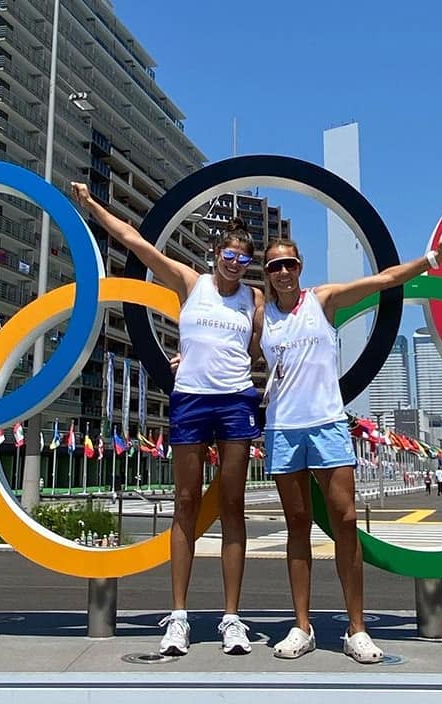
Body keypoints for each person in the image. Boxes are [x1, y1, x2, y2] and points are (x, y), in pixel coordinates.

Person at [71, 182, 262, 656]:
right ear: (216, 253)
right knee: (185, 503)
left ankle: (232, 618)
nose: (234, 265)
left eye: (242, 260)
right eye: (229, 256)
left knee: (232, 507)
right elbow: (135, 241)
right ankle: (178, 616)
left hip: (237, 401)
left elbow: (262, 346)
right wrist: (93, 204)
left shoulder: (254, 299)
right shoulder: (189, 282)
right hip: (192, 400)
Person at [257, 231, 442, 664]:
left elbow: (385, 279)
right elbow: (230, 340)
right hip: (282, 430)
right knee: (297, 524)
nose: (283, 271)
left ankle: (357, 629)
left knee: (345, 520)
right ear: (267, 274)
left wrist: (429, 258)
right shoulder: (263, 316)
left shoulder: (323, 300)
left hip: (327, 424)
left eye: (289, 263)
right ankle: (302, 627)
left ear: (300, 267)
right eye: (275, 266)